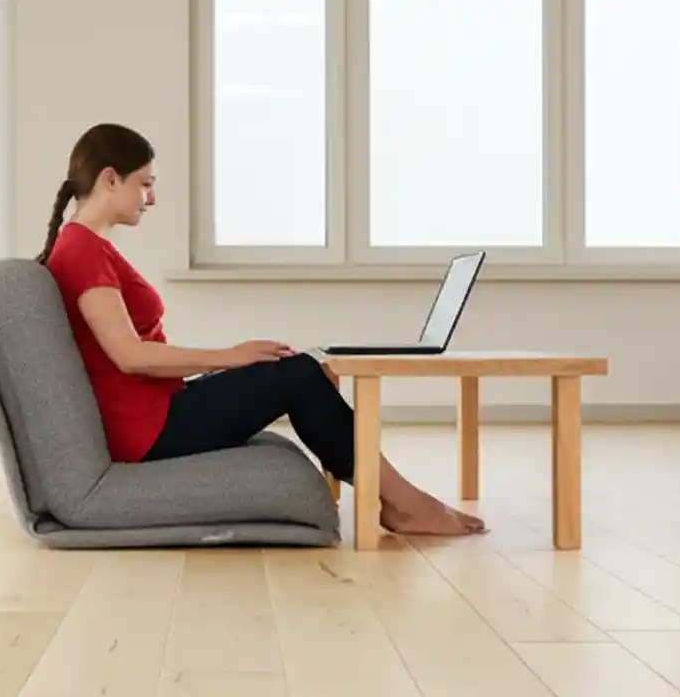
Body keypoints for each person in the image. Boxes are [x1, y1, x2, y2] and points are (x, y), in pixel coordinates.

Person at [39, 123, 486, 536]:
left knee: (294, 367)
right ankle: (404, 502)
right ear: (110, 179)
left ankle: (396, 497)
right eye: (146, 184)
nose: (150, 199)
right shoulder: (82, 250)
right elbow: (129, 355)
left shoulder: (84, 246)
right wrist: (230, 356)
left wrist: (226, 365)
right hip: (148, 430)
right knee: (297, 375)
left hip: (157, 410)